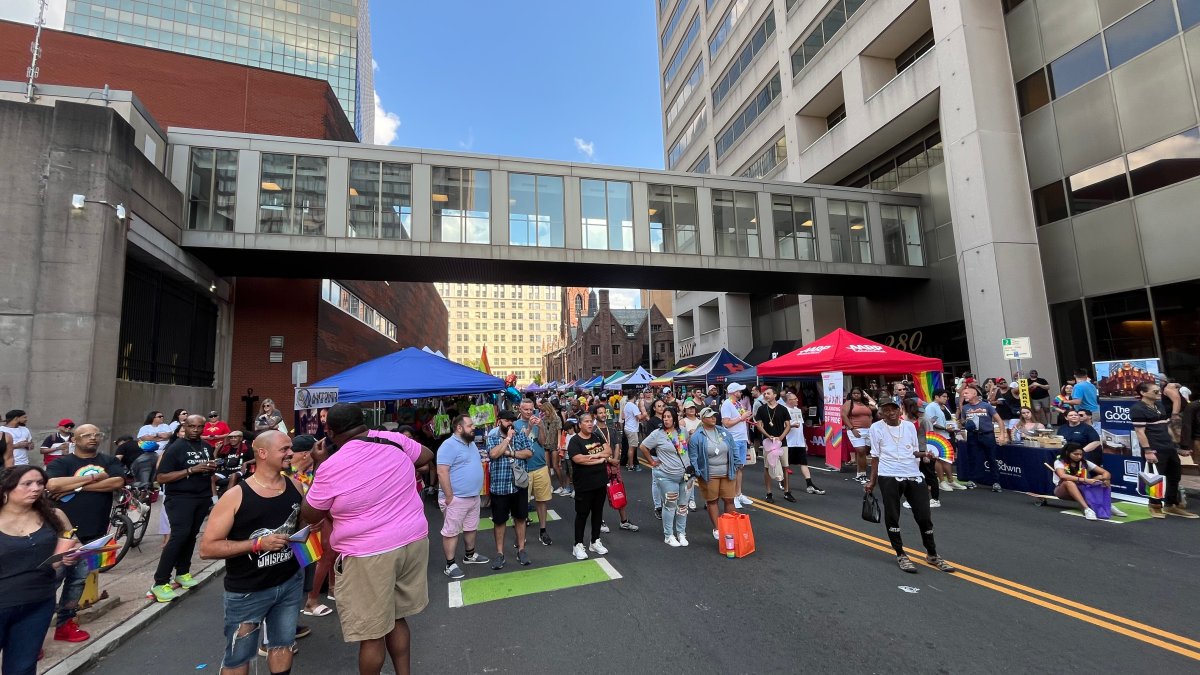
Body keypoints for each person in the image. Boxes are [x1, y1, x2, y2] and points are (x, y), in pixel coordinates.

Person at [301, 403, 435, 675]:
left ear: (329, 431)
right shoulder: (392, 439)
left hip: (368, 554)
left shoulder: (331, 466)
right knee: (397, 618)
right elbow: (427, 455)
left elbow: (310, 513)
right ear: (363, 422)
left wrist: (318, 464)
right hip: (413, 541)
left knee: (372, 633)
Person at [200, 431, 305, 675]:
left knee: (283, 645)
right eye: (284, 449)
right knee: (238, 658)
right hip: (248, 591)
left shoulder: (295, 486)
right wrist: (257, 544)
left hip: (289, 584)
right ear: (262, 453)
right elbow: (207, 548)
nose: (291, 453)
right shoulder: (236, 495)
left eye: (290, 448)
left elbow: (298, 530)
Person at [45, 423, 125, 642]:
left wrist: (74, 487)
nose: (93, 438)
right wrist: (94, 478)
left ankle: (65, 624)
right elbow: (52, 484)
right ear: (75, 440)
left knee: (78, 581)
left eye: (96, 434)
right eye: (86, 435)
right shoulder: (63, 462)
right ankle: (35, 632)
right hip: (63, 536)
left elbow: (117, 481)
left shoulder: (108, 461)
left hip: (94, 533)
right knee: (50, 582)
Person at [0, 466, 80, 675]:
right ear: (6, 488)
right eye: (27, 484)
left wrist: (71, 555)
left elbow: (74, 543)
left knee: (23, 666)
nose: (35, 489)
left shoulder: (54, 515)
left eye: (39, 483)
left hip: (38, 602)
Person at [865, 401, 955, 574]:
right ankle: (900, 553)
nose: (890, 413)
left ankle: (932, 554)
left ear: (899, 410)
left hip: (913, 474)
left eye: (893, 409)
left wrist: (926, 454)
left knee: (924, 516)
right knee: (893, 515)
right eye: (886, 410)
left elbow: (914, 451)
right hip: (889, 474)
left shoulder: (909, 427)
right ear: (881, 414)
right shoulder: (876, 428)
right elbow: (875, 457)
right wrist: (872, 481)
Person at [150, 414, 216, 602]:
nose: (195, 430)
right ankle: (160, 582)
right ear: (184, 426)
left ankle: (183, 572)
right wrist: (190, 470)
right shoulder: (175, 448)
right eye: (191, 426)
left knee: (191, 535)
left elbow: (210, 471)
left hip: (201, 497)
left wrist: (211, 472)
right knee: (179, 536)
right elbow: (161, 477)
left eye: (199, 427)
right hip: (180, 498)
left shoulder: (206, 447)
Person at [435, 415, 490, 579]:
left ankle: (469, 555)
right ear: (459, 428)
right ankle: (450, 564)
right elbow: (441, 471)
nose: (473, 427)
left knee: (471, 528)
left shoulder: (471, 443)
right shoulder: (448, 445)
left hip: (473, 496)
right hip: (456, 498)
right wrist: (450, 496)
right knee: (451, 532)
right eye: (470, 425)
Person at [1132, 382, 1197, 519]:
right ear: (1143, 393)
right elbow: (1140, 432)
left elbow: (1167, 427)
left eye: (1159, 391)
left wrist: (1176, 447)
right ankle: (1154, 506)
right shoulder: (1138, 409)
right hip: (1154, 448)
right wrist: (1148, 451)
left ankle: (1171, 505)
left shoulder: (1160, 405)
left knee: (1175, 475)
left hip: (1168, 446)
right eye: (1155, 392)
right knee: (1154, 477)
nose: (1159, 393)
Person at [289, 436, 334, 619]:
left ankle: (330, 589)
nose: (288, 455)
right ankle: (311, 601)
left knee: (329, 552)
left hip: (319, 519)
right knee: (311, 559)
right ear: (307, 454)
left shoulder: (312, 470)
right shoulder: (288, 473)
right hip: (301, 523)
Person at [485, 410, 533, 569]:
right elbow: (493, 454)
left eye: (512, 420)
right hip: (500, 486)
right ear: (500, 421)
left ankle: (521, 550)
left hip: (518, 485)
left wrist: (510, 452)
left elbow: (528, 453)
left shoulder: (520, 435)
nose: (510, 423)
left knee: (520, 518)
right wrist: (507, 440)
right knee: (499, 521)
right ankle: (500, 554)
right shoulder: (492, 437)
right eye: (507, 421)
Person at [687, 407, 742, 541]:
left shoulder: (724, 431)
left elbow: (733, 447)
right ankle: (717, 528)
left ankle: (730, 526)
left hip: (727, 471)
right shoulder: (697, 436)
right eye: (710, 416)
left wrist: (736, 462)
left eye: (714, 416)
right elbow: (693, 457)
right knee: (712, 500)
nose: (713, 418)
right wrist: (698, 472)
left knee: (729, 499)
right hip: (709, 473)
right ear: (703, 419)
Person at [640, 409, 691, 547]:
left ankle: (681, 533)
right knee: (670, 505)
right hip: (667, 476)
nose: (666, 419)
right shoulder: (657, 434)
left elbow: (687, 447)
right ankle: (668, 535)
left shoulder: (682, 432)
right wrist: (651, 461)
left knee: (682, 506)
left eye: (669, 417)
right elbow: (643, 446)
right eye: (664, 417)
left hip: (686, 476)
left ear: (674, 419)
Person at [567, 412, 611, 560]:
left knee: (598, 513)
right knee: (582, 514)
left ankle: (595, 541)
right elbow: (578, 459)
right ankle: (578, 544)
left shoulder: (597, 437)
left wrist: (594, 457)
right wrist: (598, 459)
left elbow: (608, 451)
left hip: (600, 482)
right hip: (584, 485)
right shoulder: (575, 441)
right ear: (579, 425)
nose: (590, 424)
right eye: (586, 421)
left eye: (590, 421)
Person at [592, 405, 639, 534]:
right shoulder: (594, 432)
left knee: (619, 491)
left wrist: (615, 461)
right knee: (600, 494)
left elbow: (617, 445)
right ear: (595, 416)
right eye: (600, 413)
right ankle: (599, 520)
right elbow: (596, 451)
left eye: (604, 413)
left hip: (614, 465)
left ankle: (624, 521)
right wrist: (610, 460)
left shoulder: (611, 429)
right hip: (601, 465)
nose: (603, 415)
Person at [1051, 443, 1127, 520]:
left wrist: (1105, 479)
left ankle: (1107, 505)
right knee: (1069, 482)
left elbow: (1106, 473)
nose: (1079, 457)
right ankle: (1087, 509)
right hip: (1064, 490)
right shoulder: (1059, 462)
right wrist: (1085, 480)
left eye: (1081, 454)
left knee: (1102, 478)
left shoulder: (1084, 462)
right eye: (1076, 454)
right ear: (1067, 453)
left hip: (1083, 488)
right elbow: (1063, 476)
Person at [516, 400, 554, 546]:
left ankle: (543, 530)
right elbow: (519, 443)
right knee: (521, 503)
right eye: (526, 409)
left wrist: (541, 427)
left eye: (531, 409)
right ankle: (521, 534)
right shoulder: (516, 424)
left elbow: (543, 442)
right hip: (523, 468)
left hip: (540, 466)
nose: (529, 412)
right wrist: (530, 427)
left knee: (542, 500)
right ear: (520, 409)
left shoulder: (539, 421)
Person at [959, 385, 1008, 493]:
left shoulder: (986, 406)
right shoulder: (965, 408)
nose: (964, 395)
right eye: (963, 394)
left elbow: (999, 420)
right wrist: (966, 423)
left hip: (987, 435)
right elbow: (962, 421)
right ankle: (973, 480)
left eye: (966, 393)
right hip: (973, 435)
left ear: (974, 394)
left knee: (991, 458)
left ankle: (996, 482)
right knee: (973, 458)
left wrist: (1002, 435)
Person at [754, 387, 795, 504]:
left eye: (768, 393)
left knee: (785, 466)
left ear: (775, 395)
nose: (766, 395)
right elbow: (759, 425)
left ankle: (787, 492)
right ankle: (769, 493)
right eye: (764, 394)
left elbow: (788, 425)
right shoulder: (762, 409)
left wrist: (781, 438)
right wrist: (768, 435)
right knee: (767, 467)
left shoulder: (782, 409)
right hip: (768, 442)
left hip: (782, 442)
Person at [783, 392, 823, 495]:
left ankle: (809, 484)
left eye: (797, 398)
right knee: (786, 464)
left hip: (799, 442)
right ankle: (783, 481)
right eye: (794, 399)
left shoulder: (798, 411)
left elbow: (800, 427)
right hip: (789, 442)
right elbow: (781, 426)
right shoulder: (783, 410)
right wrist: (791, 426)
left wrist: (804, 441)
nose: (797, 400)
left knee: (804, 463)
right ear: (789, 400)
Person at [720, 382, 754, 507]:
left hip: (741, 438)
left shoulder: (738, 404)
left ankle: (738, 494)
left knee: (740, 467)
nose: (741, 393)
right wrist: (742, 417)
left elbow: (740, 420)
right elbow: (726, 423)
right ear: (734, 392)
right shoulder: (727, 404)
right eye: (739, 391)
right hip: (733, 439)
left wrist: (745, 418)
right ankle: (731, 495)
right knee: (733, 468)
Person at [923, 389, 961, 493]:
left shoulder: (945, 407)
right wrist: (945, 428)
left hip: (947, 434)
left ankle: (950, 480)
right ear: (936, 397)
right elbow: (931, 422)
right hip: (936, 436)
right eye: (944, 396)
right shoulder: (931, 407)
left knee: (947, 458)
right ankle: (942, 481)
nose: (946, 398)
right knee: (938, 458)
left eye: (946, 397)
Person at [842, 388, 877, 483]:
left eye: (858, 393)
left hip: (869, 430)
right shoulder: (849, 403)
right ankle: (862, 474)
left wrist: (867, 396)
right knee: (860, 451)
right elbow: (844, 416)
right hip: (856, 429)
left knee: (863, 452)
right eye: (854, 393)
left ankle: (859, 474)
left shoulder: (865, 403)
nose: (856, 395)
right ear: (851, 394)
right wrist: (852, 429)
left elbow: (876, 406)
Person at [1071, 369, 1100, 433]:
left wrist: (1064, 401)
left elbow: (1077, 401)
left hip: (1085, 413)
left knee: (1085, 433)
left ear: (1074, 376)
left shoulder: (1078, 386)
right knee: (1095, 432)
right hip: (1096, 411)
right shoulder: (1092, 385)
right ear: (1086, 376)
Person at [621, 394, 643, 471]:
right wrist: (645, 414)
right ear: (634, 397)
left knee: (630, 447)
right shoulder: (633, 406)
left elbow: (623, 417)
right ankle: (631, 465)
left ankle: (630, 464)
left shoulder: (626, 405)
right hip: (632, 429)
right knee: (631, 448)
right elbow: (639, 417)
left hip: (627, 427)